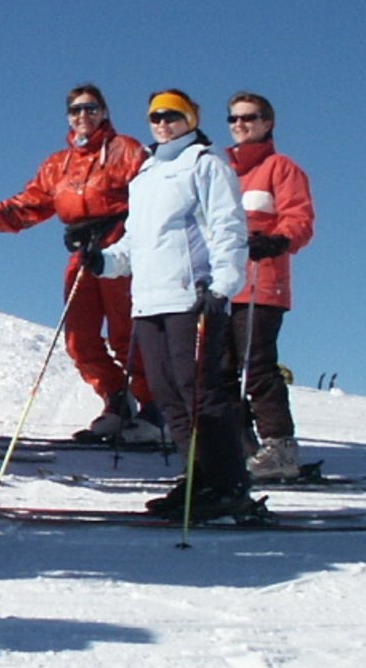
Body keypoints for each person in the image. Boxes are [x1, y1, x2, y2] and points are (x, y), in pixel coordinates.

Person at [0, 84, 162, 443]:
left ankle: (154, 407)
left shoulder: (126, 151)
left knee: (128, 332)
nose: (83, 116)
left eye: (90, 109)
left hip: (120, 249)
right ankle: (116, 399)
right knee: (79, 336)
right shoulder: (58, 165)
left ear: (104, 112)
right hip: (82, 252)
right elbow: (29, 205)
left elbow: (153, 195)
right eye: (76, 111)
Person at [92, 90, 255, 520]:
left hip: (192, 296)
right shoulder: (146, 173)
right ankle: (198, 476)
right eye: (154, 117)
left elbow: (227, 227)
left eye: (171, 115)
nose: (162, 123)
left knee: (200, 391)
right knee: (168, 395)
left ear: (189, 119)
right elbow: (136, 242)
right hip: (149, 301)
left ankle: (229, 483)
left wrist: (222, 286)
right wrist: (103, 261)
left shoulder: (205, 163)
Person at [221, 92, 315, 481]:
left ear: (267, 123)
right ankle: (236, 446)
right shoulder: (222, 170)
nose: (240, 124)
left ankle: (279, 447)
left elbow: (300, 218)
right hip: (223, 283)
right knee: (220, 368)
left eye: (249, 117)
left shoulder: (282, 168)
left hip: (262, 280)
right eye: (234, 118)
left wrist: (277, 239)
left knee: (255, 364)